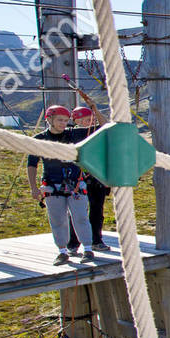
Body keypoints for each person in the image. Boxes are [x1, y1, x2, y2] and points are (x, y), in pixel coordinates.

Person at [27, 102, 102, 265]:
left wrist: (94, 110)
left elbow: (103, 128)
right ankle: (62, 251)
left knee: (81, 217)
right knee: (57, 219)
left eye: (65, 120)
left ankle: (88, 249)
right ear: (49, 119)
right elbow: (32, 164)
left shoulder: (73, 135)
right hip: (51, 185)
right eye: (60, 120)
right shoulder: (39, 140)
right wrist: (33, 188)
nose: (63, 123)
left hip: (75, 184)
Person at [66, 105, 111, 254]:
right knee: (78, 212)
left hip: (96, 178)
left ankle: (96, 240)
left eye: (89, 119)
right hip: (78, 178)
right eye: (84, 120)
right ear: (76, 120)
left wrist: (96, 110)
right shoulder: (71, 133)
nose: (87, 122)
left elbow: (107, 125)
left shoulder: (97, 131)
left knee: (97, 211)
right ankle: (73, 243)